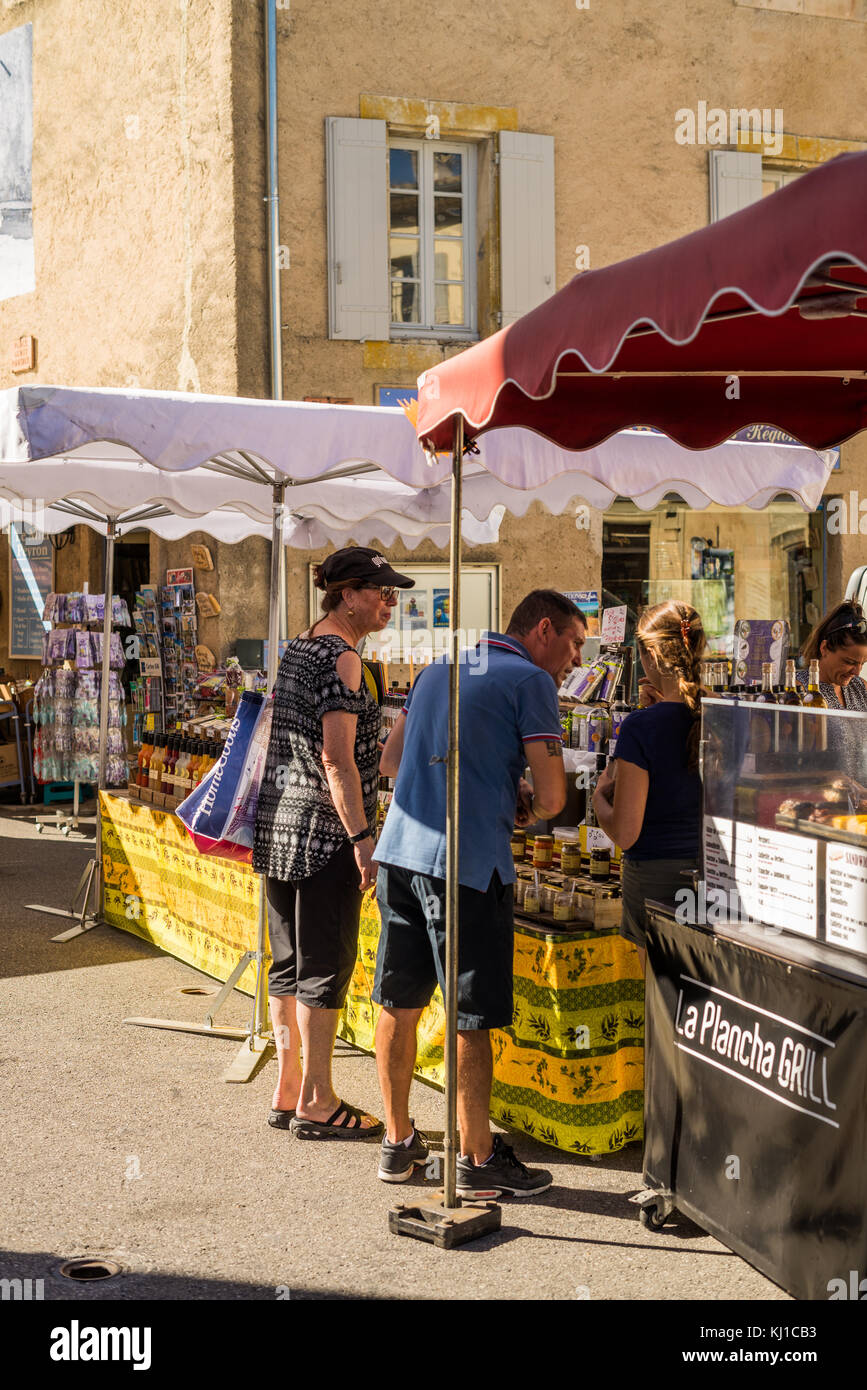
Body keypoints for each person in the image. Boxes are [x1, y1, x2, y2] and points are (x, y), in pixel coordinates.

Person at [372, 590, 587, 1193]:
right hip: (466, 868)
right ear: (543, 629)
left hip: (400, 854)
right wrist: (520, 793)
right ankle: (478, 1157)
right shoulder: (530, 681)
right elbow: (551, 800)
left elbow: (391, 763)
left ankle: (397, 1143)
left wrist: (487, 774)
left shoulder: (438, 668)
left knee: (399, 1002)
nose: (576, 658)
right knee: (471, 1018)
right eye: (573, 643)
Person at [252, 546, 414, 1139]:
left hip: (279, 824)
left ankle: (289, 1086)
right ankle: (319, 1100)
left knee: (289, 963)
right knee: (324, 966)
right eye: (381, 591)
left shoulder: (300, 645)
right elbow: (336, 758)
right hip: (323, 832)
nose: (390, 601)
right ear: (348, 594)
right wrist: (362, 838)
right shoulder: (344, 659)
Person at [592, 600, 706, 966]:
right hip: (715, 876)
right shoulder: (720, 712)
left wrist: (598, 801)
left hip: (656, 877)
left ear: (652, 657)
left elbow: (625, 832)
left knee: (661, 1001)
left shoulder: (641, 727)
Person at [796, 599, 867, 796]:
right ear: (825, 648)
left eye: (863, 663)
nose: (857, 671)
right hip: (823, 802)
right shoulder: (800, 693)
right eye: (849, 662)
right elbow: (794, 761)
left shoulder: (860, 688)